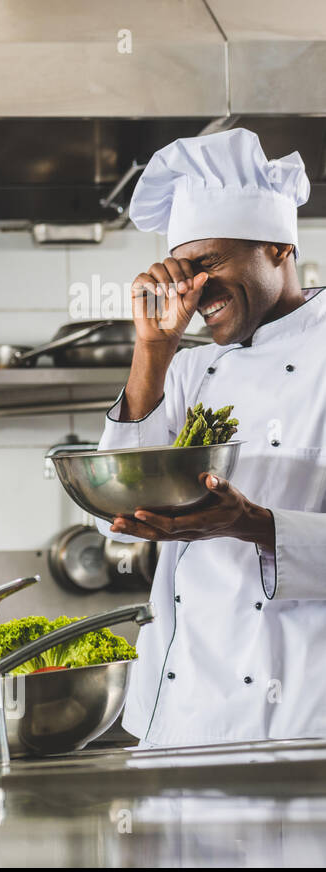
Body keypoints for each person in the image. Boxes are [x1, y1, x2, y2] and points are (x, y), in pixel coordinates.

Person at [97, 127, 326, 746]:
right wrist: (152, 351)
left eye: (209, 264)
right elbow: (111, 511)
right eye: (181, 272)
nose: (192, 292)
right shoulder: (187, 368)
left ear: (279, 247)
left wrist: (253, 524)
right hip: (181, 722)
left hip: (304, 722)